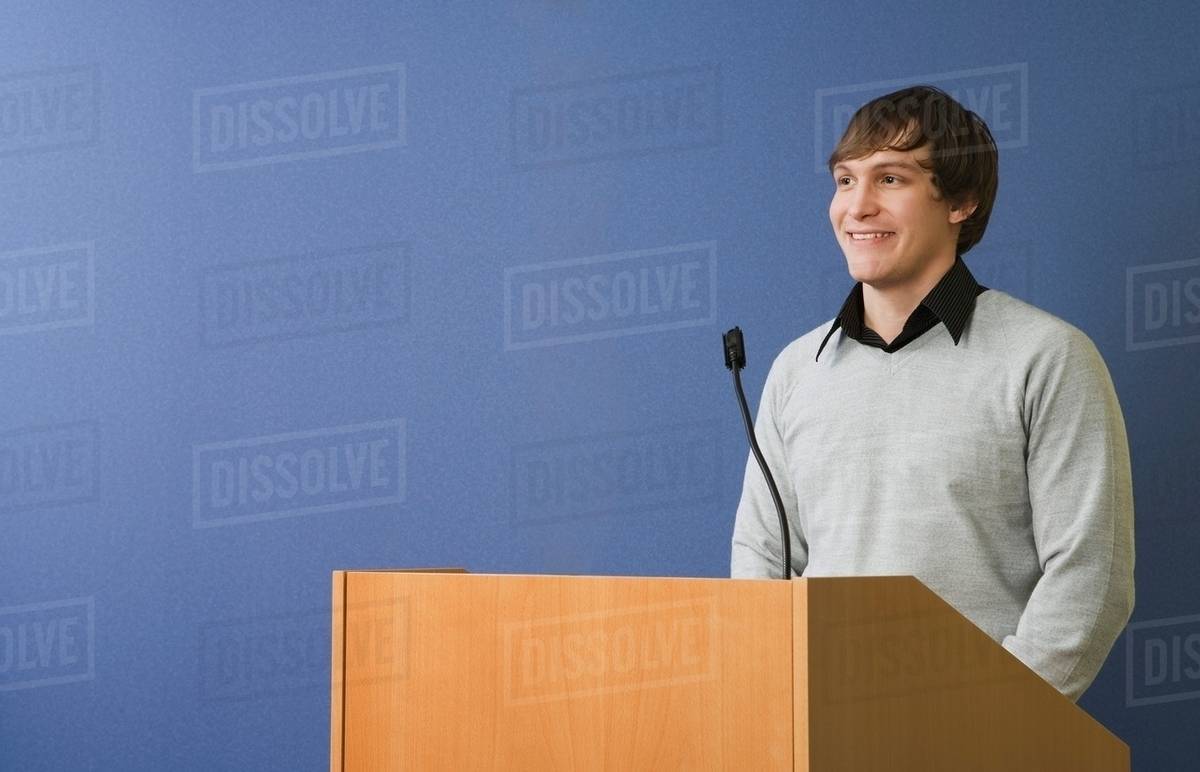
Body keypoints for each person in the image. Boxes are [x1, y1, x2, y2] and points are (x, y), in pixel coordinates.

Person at [730, 85, 1135, 702]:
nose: (856, 207)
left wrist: (991, 723)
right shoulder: (795, 371)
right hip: (820, 735)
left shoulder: (1047, 358)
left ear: (961, 202)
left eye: (890, 180)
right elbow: (763, 560)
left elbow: (1091, 578)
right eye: (844, 180)